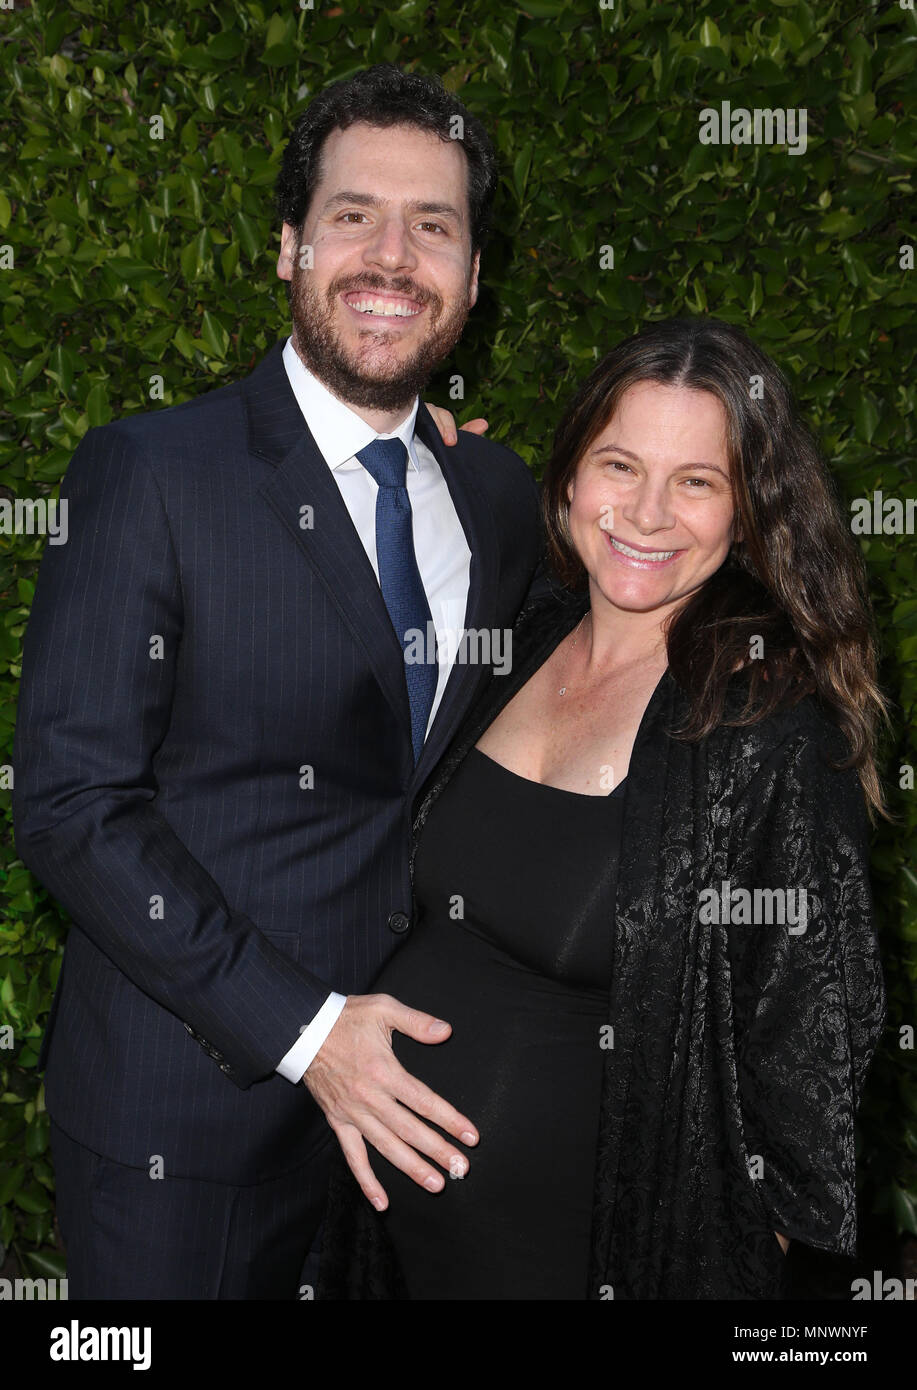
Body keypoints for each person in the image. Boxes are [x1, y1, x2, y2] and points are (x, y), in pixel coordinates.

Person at [12, 64, 545, 1298]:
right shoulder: (151, 473)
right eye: (354, 216)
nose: (391, 256)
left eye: (433, 226)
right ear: (289, 247)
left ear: (472, 276)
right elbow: (72, 805)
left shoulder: (493, 496)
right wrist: (308, 1033)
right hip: (183, 1128)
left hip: (406, 1123)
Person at [316, 315, 889, 1300]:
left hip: (589, 1259)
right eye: (619, 465)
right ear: (570, 476)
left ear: (747, 511)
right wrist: (432, 464)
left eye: (696, 482)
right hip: (385, 1244)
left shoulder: (764, 723)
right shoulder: (517, 635)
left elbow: (816, 1046)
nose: (646, 514)